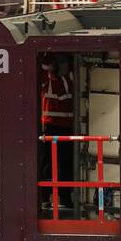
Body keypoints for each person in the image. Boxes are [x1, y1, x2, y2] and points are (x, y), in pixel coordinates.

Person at [38, 55, 75, 215]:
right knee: (59, 164)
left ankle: (53, 198)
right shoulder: (62, 81)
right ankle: (59, 198)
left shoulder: (49, 82)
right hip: (60, 128)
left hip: (53, 128)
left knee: (53, 164)